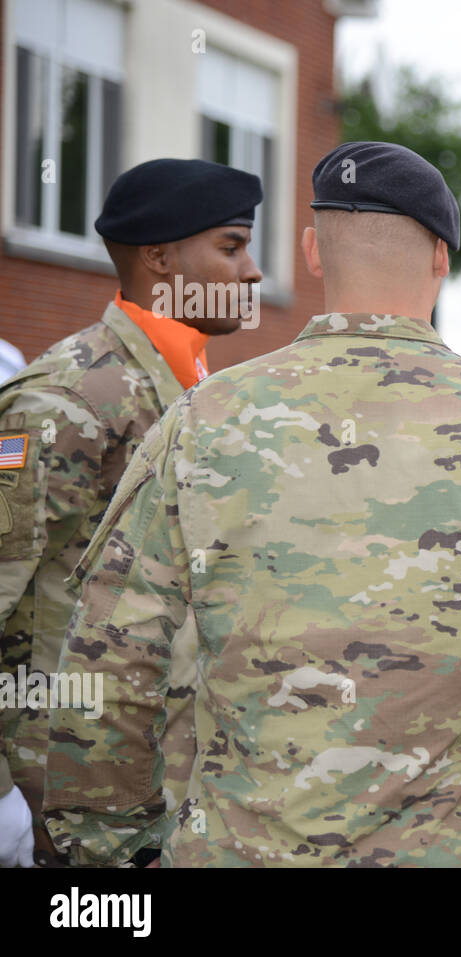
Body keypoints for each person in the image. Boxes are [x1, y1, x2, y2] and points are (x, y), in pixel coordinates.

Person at [42, 141, 461, 868]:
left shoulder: (201, 420)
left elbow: (110, 655)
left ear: (313, 251)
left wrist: (114, 850)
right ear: (441, 257)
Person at [0, 158, 263, 867]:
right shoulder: (71, 399)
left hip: (168, 785)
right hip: (65, 802)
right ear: (160, 258)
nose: (253, 273)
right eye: (232, 247)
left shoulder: (200, 390)